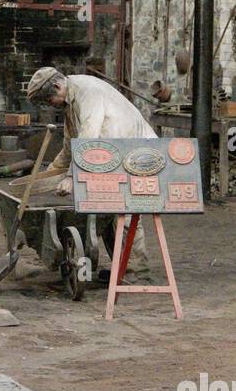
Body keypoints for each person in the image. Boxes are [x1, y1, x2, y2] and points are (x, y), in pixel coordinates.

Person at [25, 66, 159, 277]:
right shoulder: (69, 102)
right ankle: (122, 266)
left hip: (138, 152)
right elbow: (71, 147)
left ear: (58, 86)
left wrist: (71, 177)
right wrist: (46, 177)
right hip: (114, 153)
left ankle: (136, 269)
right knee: (109, 209)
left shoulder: (88, 92)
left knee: (125, 211)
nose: (51, 106)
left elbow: (88, 139)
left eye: (50, 101)